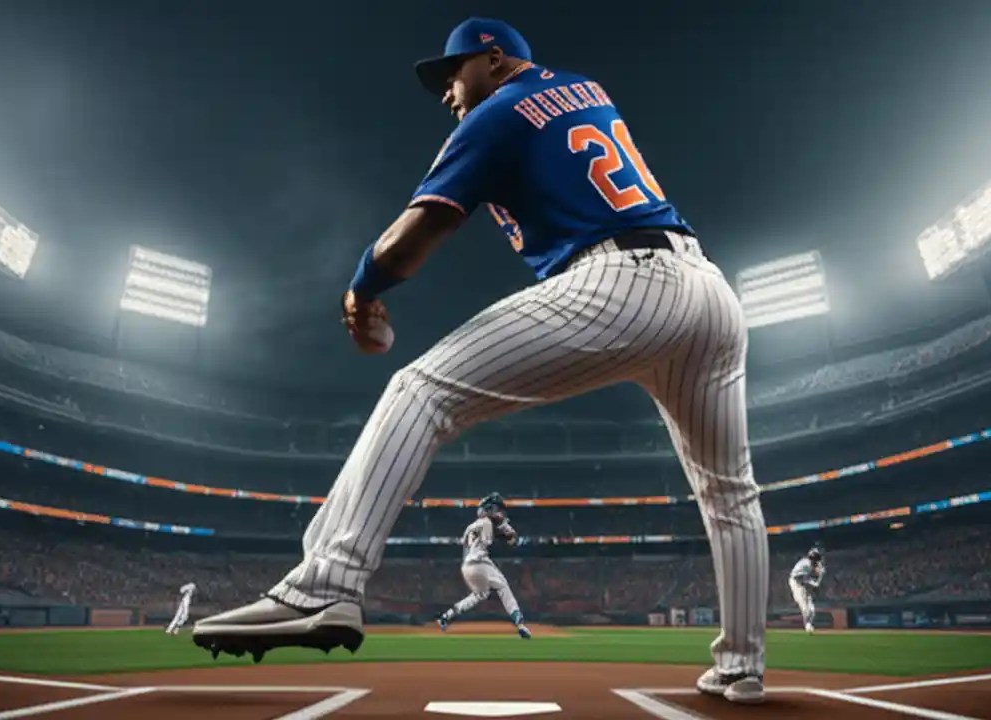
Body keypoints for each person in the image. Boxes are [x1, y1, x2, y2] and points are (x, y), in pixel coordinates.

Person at [194, 16, 768, 704]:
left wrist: (361, 290)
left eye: (453, 71)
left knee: (419, 391)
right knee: (730, 492)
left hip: (623, 283)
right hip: (709, 291)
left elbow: (414, 237)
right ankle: (742, 664)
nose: (445, 92)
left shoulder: (498, 110)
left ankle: (326, 584)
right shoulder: (584, 87)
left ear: (495, 61)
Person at [436, 493, 531, 638]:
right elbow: (489, 542)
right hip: (479, 562)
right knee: (503, 585)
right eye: (496, 509)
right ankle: (520, 623)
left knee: (480, 594)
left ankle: (446, 616)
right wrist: (507, 535)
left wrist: (503, 531)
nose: (499, 512)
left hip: (467, 567)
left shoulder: (471, 526)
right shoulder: (486, 523)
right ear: (489, 509)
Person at [789, 549, 824, 634]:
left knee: (811, 609)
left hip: (805, 583)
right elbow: (800, 578)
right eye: (816, 559)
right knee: (804, 606)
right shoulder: (806, 564)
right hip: (796, 583)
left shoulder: (815, 564)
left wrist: (817, 580)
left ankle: (809, 624)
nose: (817, 562)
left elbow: (818, 573)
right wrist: (813, 584)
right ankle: (807, 625)